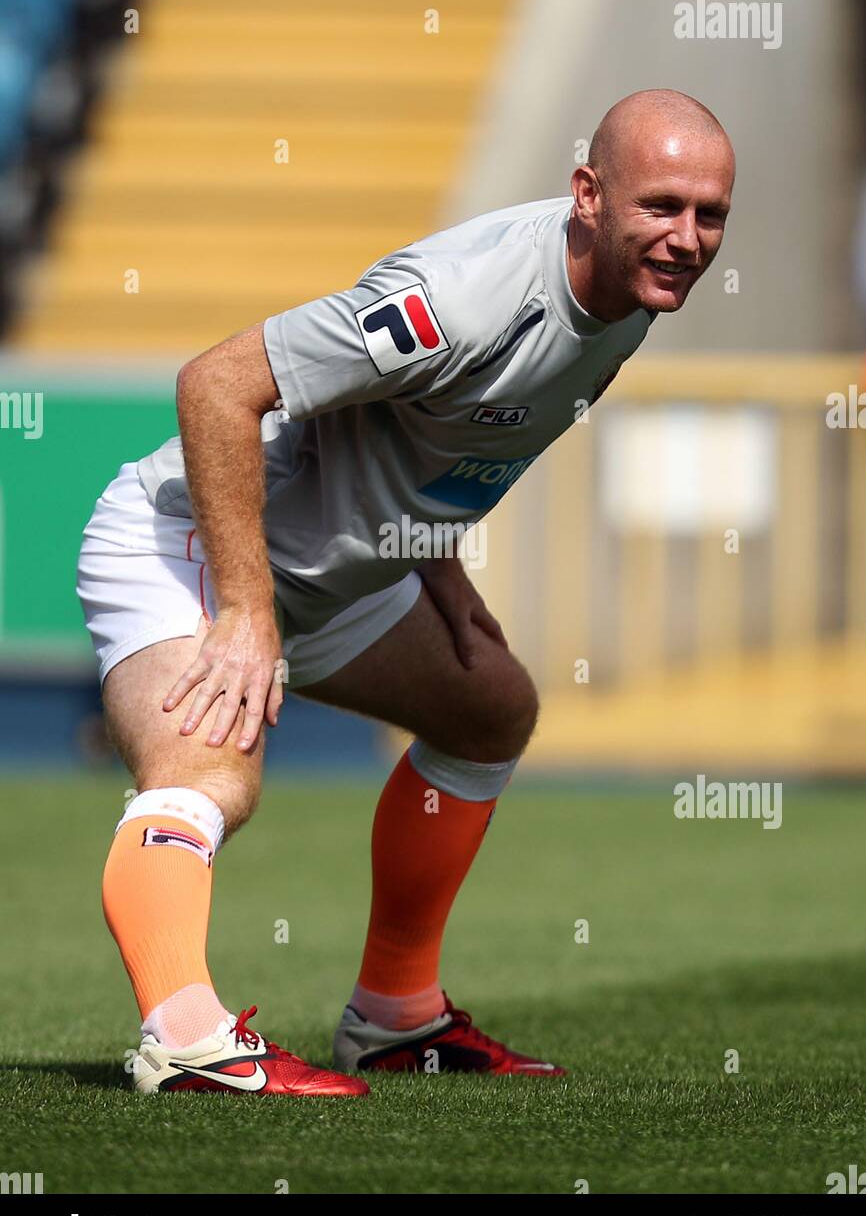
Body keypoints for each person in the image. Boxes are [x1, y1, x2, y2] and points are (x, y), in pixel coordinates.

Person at [78, 89, 735, 1095]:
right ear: (588, 195)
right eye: (661, 207)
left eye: (709, 214)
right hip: (190, 542)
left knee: (489, 708)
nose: (686, 238)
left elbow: (443, 426)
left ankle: (395, 1019)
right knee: (212, 773)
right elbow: (215, 384)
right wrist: (246, 613)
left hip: (338, 570)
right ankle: (186, 1039)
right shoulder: (458, 299)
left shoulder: (632, 290)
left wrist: (436, 557)